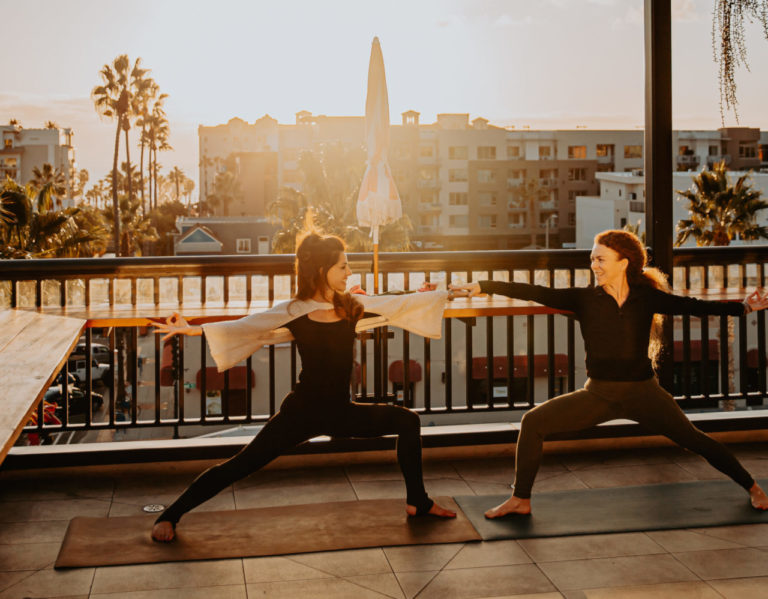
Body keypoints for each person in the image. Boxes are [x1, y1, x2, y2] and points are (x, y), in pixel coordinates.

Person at [151, 232, 455, 542]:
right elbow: (245, 326)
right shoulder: (294, 310)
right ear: (322, 269)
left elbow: (395, 304)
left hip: (341, 413)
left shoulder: (351, 305)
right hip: (301, 413)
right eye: (343, 266)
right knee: (240, 465)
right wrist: (189, 330)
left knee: (409, 421)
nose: (349, 273)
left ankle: (418, 501)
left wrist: (438, 293)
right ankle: (170, 515)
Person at [451, 229, 768, 517]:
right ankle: (521, 499)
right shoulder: (584, 299)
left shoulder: (646, 298)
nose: (594, 265)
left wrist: (744, 308)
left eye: (601, 259)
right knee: (532, 422)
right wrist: (481, 285)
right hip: (598, 394)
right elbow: (532, 291)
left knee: (696, 441)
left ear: (624, 262)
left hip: (644, 394)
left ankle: (754, 488)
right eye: (592, 259)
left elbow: (694, 306)